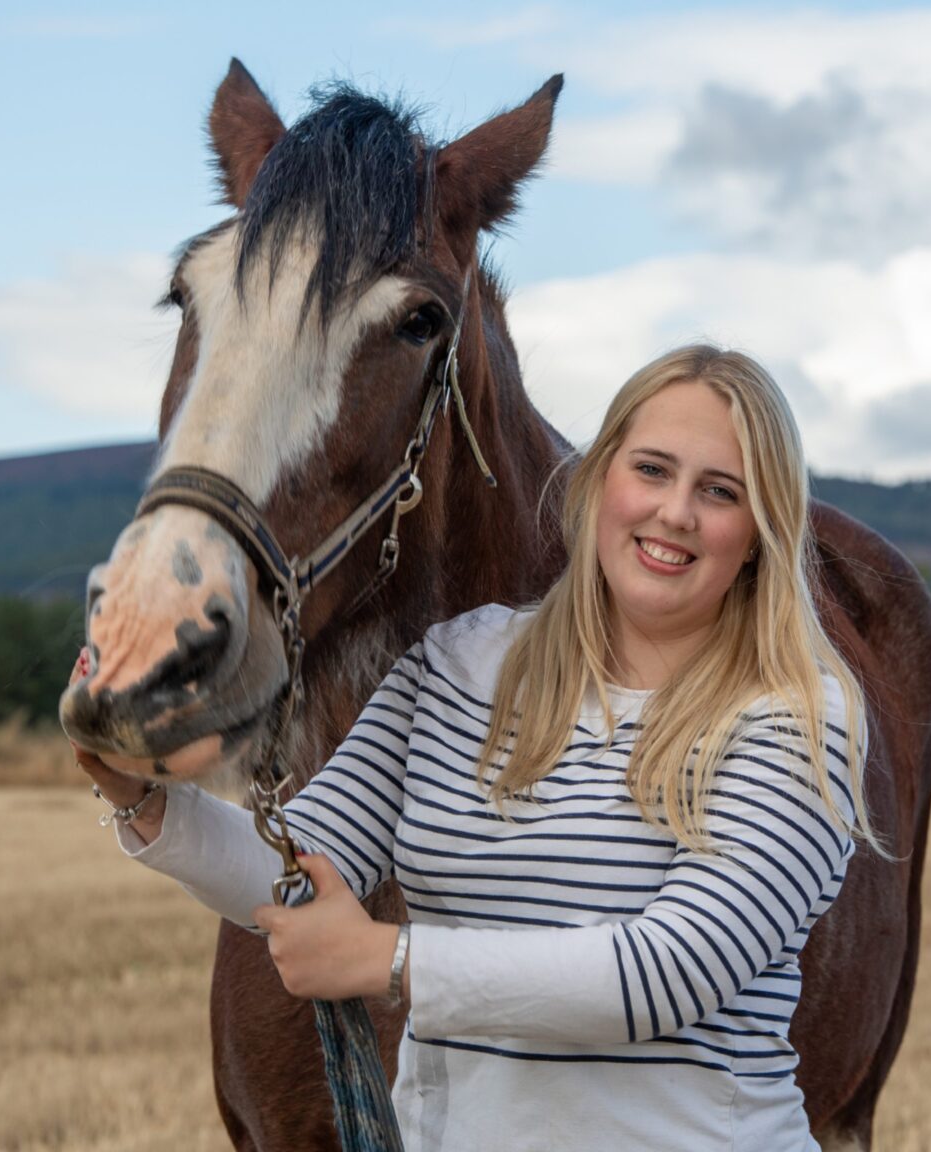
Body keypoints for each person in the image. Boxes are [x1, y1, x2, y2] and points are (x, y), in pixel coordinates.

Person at [71, 343, 882, 1151]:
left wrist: (389, 961)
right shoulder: (460, 665)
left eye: (720, 491)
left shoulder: (796, 719)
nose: (675, 512)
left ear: (761, 532)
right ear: (601, 481)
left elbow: (667, 974)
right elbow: (298, 871)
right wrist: (137, 793)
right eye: (652, 470)